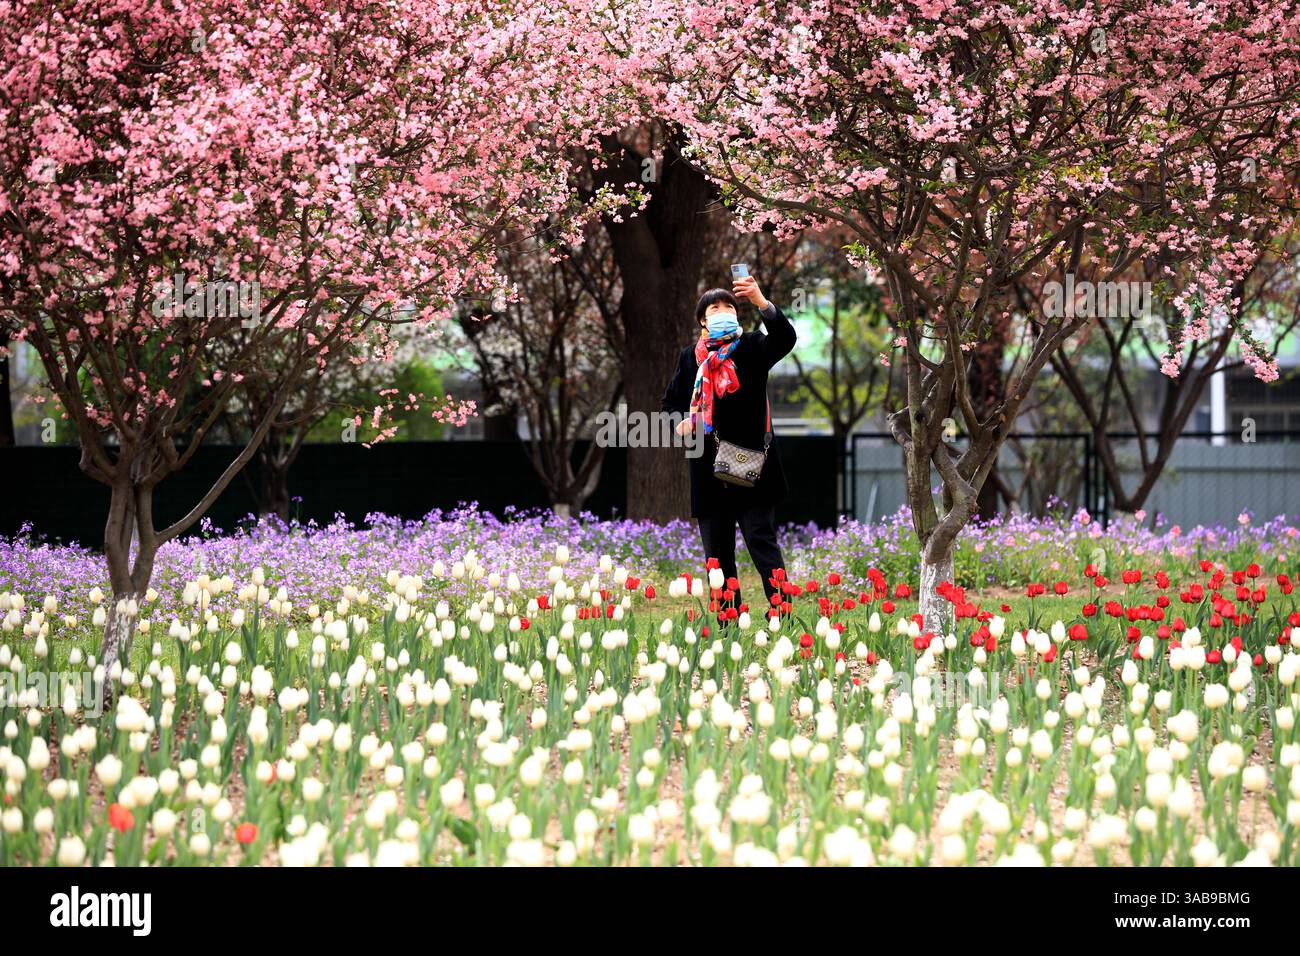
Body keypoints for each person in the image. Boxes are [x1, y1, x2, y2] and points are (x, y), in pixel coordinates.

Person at [660, 273, 796, 614]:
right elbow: (672, 402)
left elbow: (784, 339)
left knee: (761, 541)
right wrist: (681, 421)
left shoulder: (752, 346)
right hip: (707, 466)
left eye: (728, 306)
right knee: (717, 552)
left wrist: (761, 301)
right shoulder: (690, 357)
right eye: (714, 307)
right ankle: (727, 619)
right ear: (702, 320)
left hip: (751, 462)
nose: (722, 311)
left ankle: (782, 610)